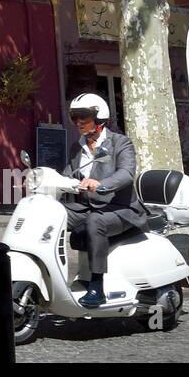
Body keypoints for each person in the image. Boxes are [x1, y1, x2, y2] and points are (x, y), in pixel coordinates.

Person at [62, 93, 149, 308]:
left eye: (83, 116)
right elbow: (67, 175)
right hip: (85, 206)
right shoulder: (77, 147)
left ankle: (96, 285)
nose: (78, 122)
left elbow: (126, 174)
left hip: (120, 209)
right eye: (74, 117)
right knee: (53, 214)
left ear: (99, 118)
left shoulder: (121, 143)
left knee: (95, 221)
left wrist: (100, 184)